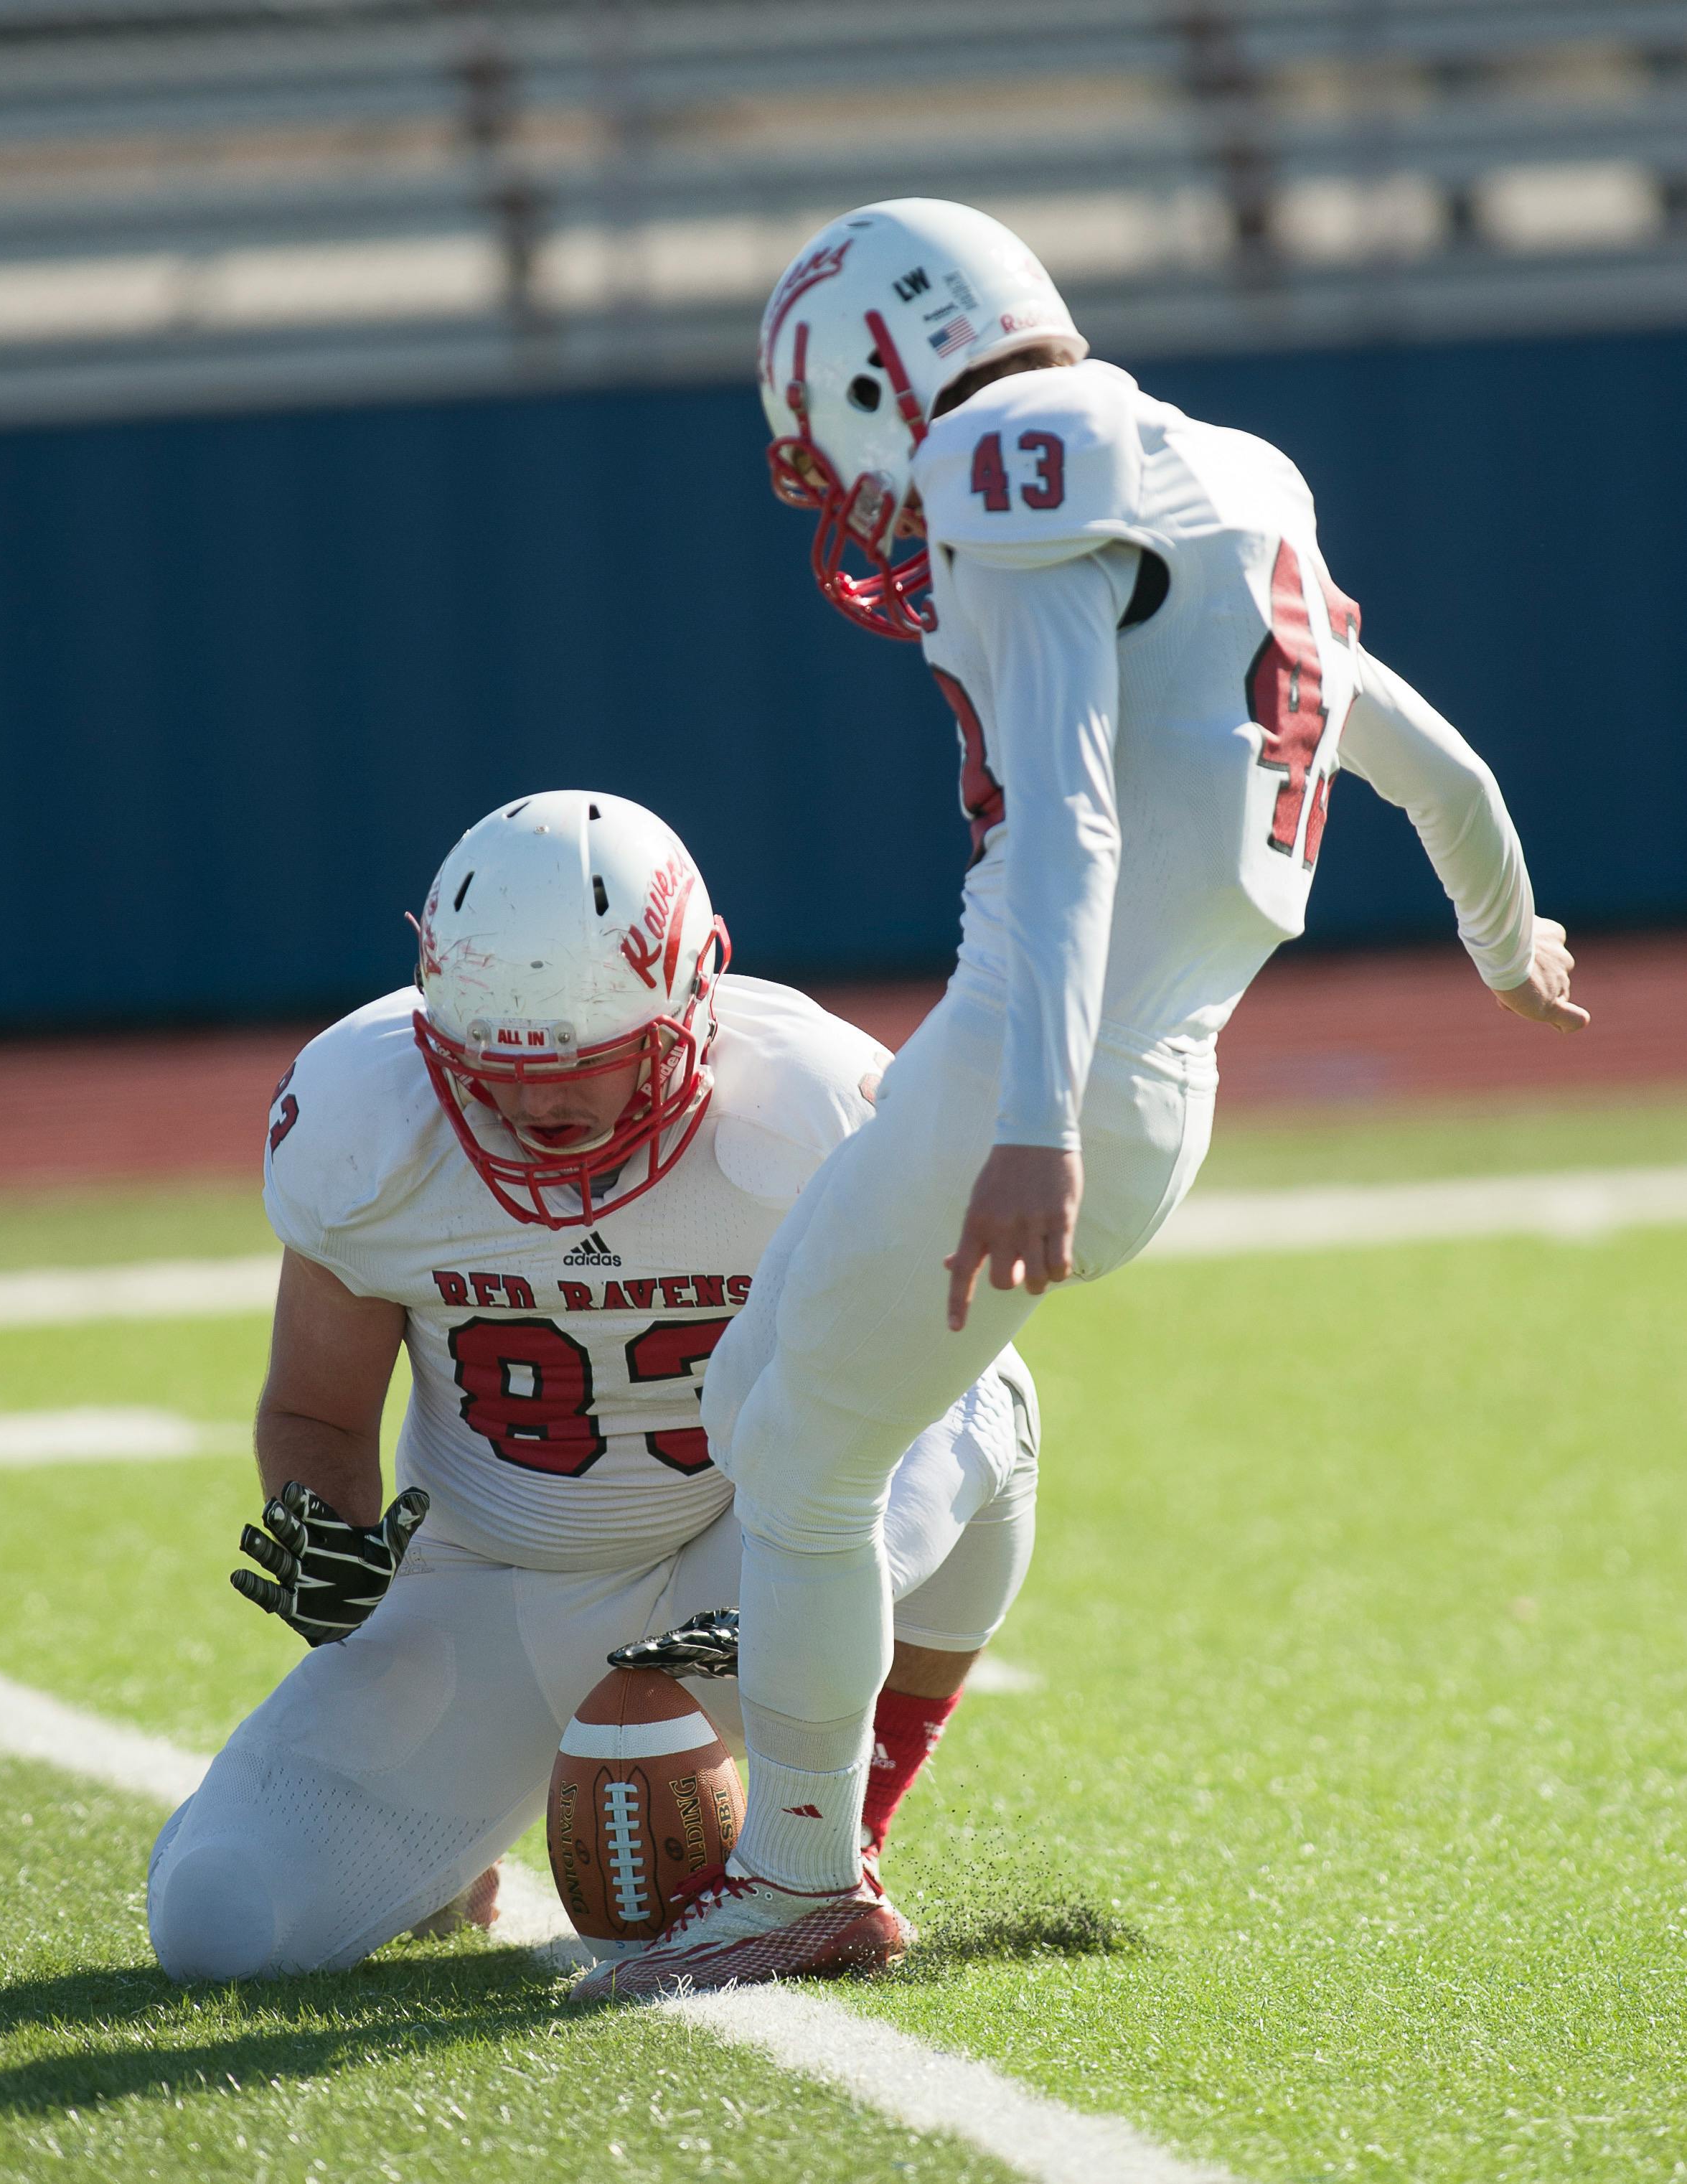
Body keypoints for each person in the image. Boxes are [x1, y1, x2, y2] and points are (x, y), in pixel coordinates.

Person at [573, 197, 1588, 2005]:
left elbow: (1065, 823)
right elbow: (1432, 763)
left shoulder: (1009, 459)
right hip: (1140, 1075)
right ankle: (824, 1782)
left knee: (803, 1464)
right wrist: (1506, 938)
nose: (842, 483)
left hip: (1041, 1067)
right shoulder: (1225, 476)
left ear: (880, 369)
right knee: (755, 1399)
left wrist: (1029, 1125)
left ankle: (798, 1877)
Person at [146, 789, 1038, 1981]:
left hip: (752, 1557)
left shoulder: (812, 1103)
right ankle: (438, 1847)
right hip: (491, 1584)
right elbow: (314, 1410)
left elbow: (931, 1378)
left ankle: (829, 1843)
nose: (532, 1105)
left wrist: (828, 1579)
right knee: (218, 1929)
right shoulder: (364, 1117)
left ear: (689, 1011)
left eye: (583, 1064)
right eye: (488, 1068)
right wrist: (329, 1538)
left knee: (974, 1383)